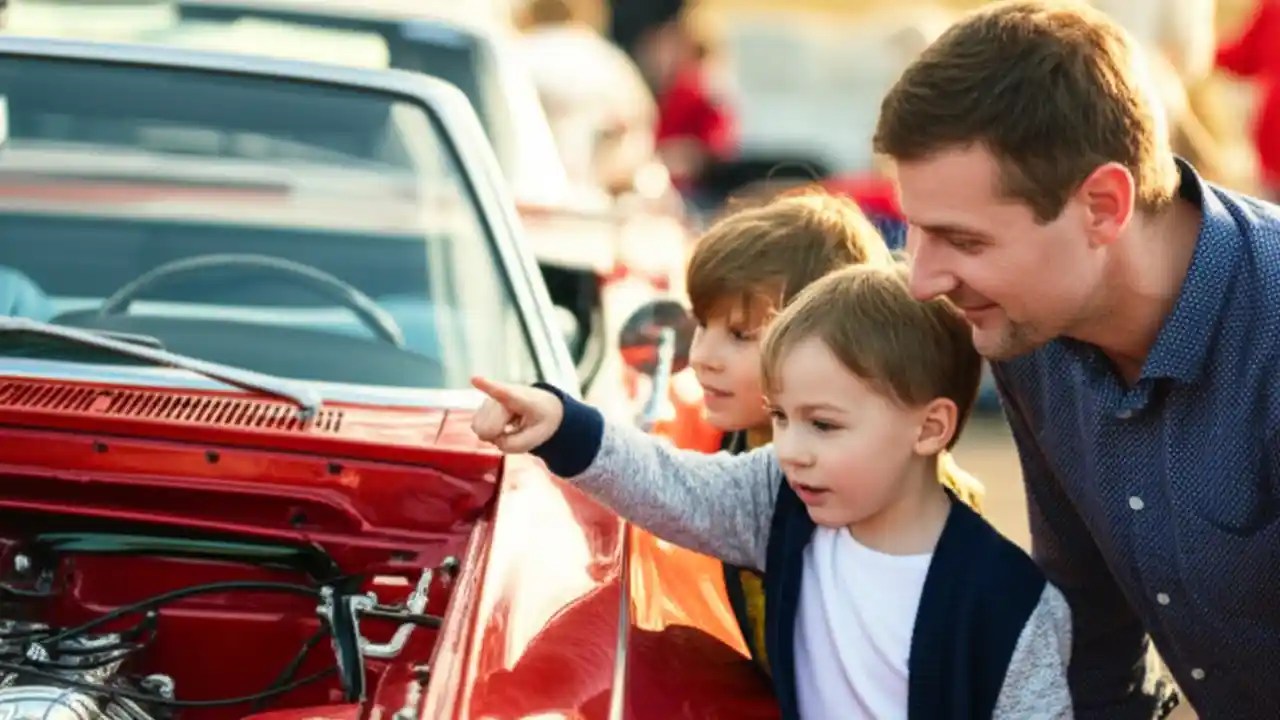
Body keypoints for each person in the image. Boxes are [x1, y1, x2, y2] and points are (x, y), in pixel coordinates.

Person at [872, 1, 1280, 717]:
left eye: (963, 241)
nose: (923, 280)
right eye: (917, 230)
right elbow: (1090, 633)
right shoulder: (1031, 329)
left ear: (1102, 205)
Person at [470, 262, 1072, 720]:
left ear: (930, 426)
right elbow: (670, 483)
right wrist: (562, 425)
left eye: (824, 424)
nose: (790, 448)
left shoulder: (1012, 604)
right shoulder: (781, 500)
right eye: (780, 417)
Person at [676, 190, 985, 680]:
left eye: (739, 336)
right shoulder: (739, 446)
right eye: (701, 326)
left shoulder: (915, 500)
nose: (701, 356)